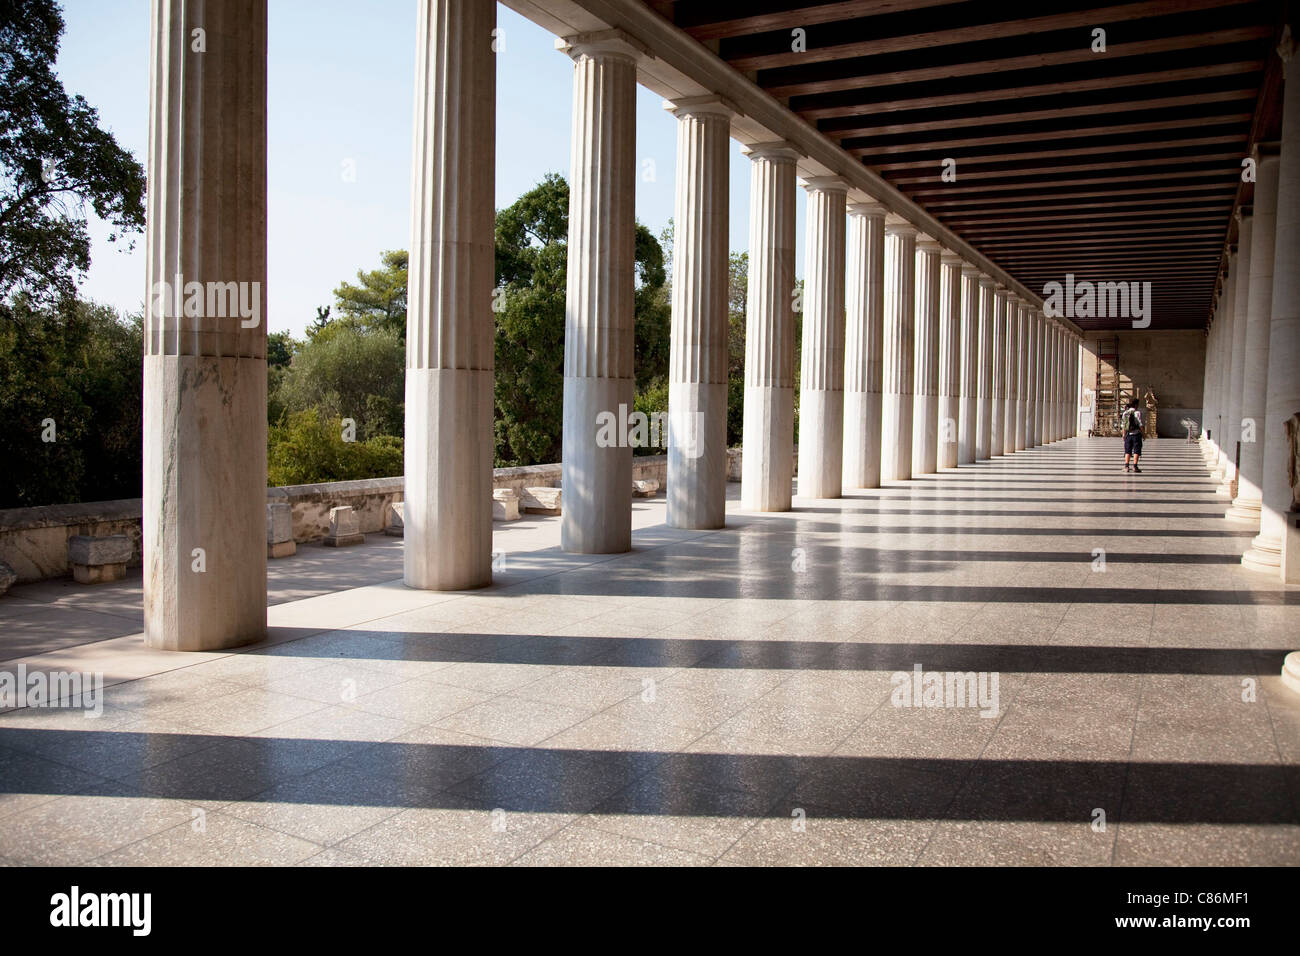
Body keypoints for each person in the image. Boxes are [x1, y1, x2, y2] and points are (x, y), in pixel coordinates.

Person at [1121, 397, 1143, 473]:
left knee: (1127, 450)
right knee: (1137, 450)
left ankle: (1126, 466)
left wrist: (1123, 434)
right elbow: (1140, 424)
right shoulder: (1137, 413)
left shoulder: (1125, 413)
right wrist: (1143, 434)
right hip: (1136, 434)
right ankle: (1135, 466)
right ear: (1136, 405)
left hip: (1128, 435)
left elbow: (1123, 425)